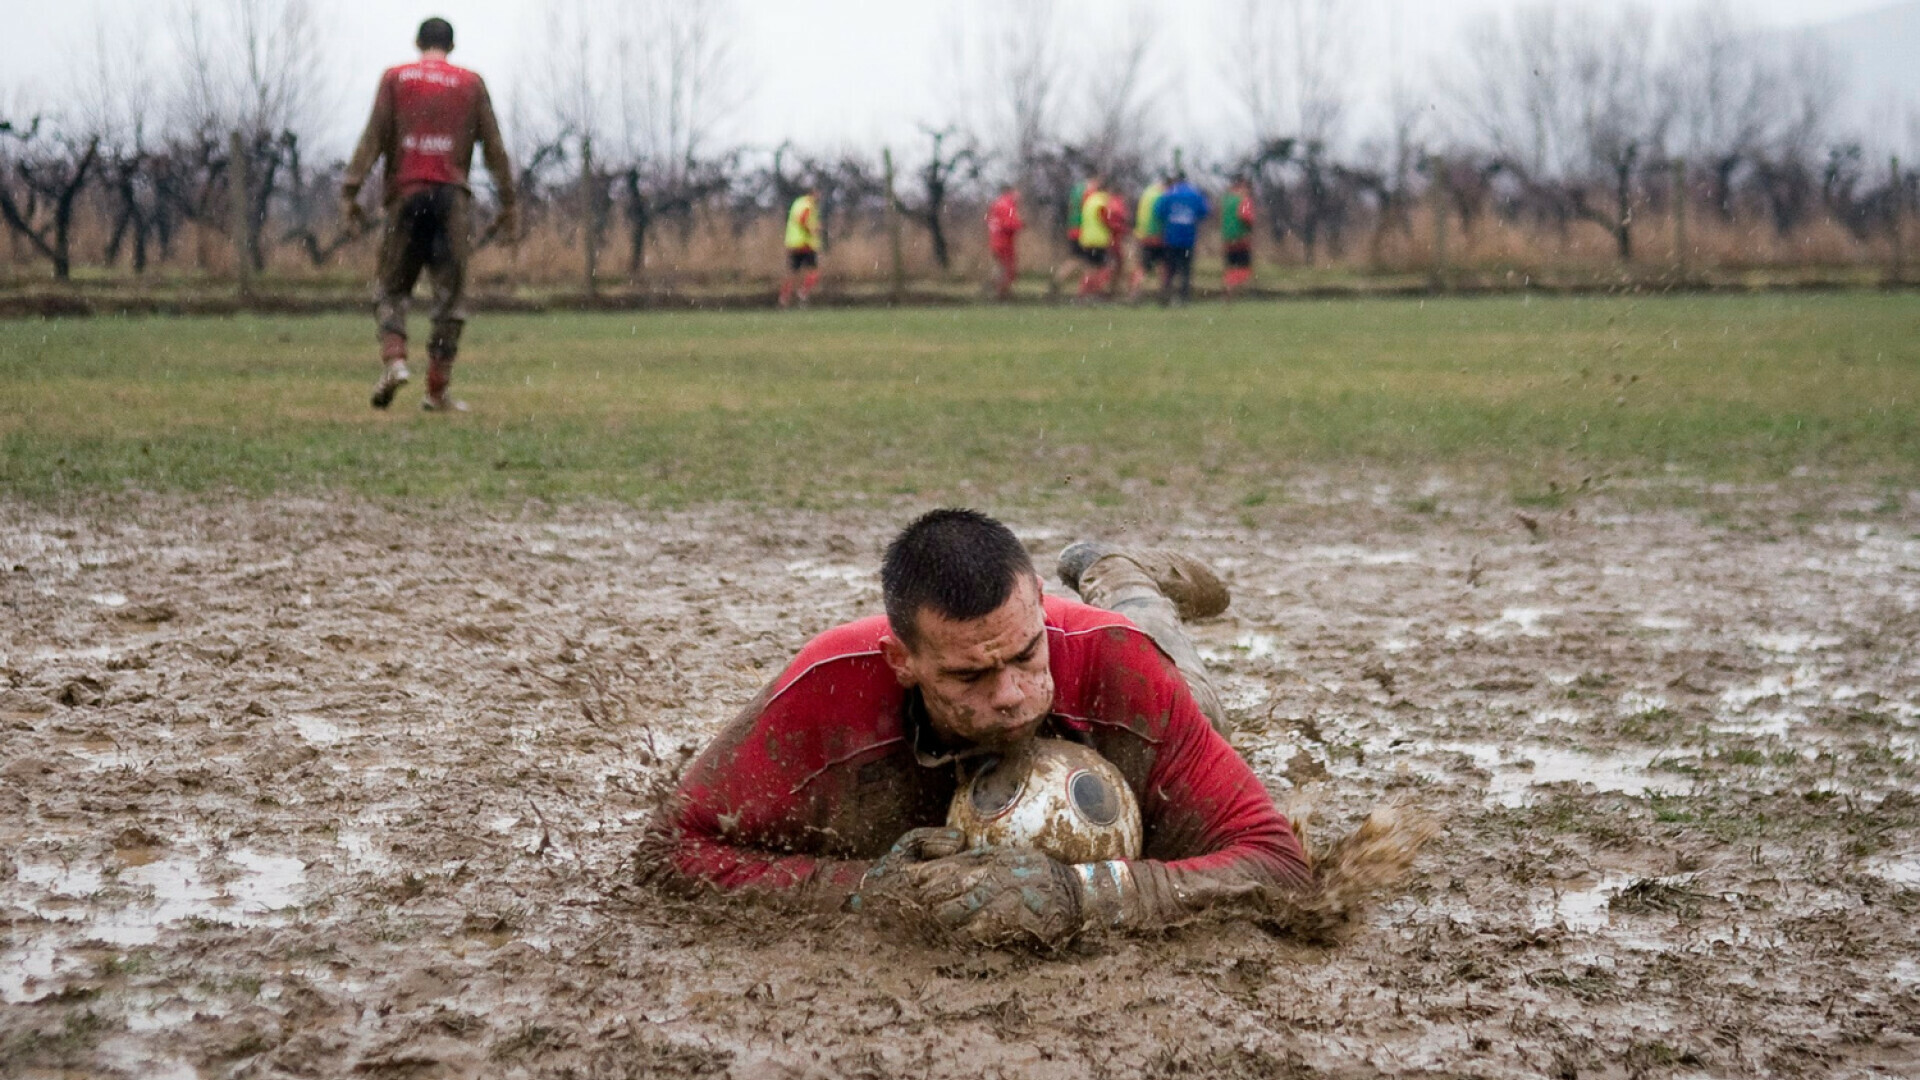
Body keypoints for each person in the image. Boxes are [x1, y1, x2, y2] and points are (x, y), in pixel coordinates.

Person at [649, 508, 1310, 948]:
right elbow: (668, 849)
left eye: (1026, 656)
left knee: (1192, 697)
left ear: (1040, 613)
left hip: (1115, 657)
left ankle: (1122, 576)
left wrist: (1083, 896)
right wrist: (869, 889)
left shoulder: (1115, 666)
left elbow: (1280, 864)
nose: (1011, 697)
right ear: (901, 662)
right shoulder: (827, 691)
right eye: (970, 677)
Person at [342, 16, 516, 414]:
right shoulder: (471, 83)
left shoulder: (395, 78)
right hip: (451, 199)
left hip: (406, 195)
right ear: (451, 46)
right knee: (450, 298)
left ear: (418, 43)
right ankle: (437, 391)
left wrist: (351, 188)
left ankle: (395, 360)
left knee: (391, 289)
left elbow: (373, 137)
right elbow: (494, 147)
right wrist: (508, 201)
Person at [1155, 173, 1209, 305]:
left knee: (1170, 269)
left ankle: (1165, 296)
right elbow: (1205, 211)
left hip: (1171, 238)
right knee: (1186, 270)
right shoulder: (1194, 194)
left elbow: (1158, 211)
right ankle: (1184, 297)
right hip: (1188, 238)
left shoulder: (1169, 194)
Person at [1076, 183, 1128, 299]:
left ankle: (1082, 292)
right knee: (1104, 267)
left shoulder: (1090, 201)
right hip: (1099, 240)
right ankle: (1095, 290)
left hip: (1087, 239)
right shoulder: (1102, 203)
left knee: (1090, 268)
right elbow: (1107, 221)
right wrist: (1120, 229)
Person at [1049, 174, 1097, 296]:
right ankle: (1084, 290)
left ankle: (1058, 281)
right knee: (1088, 262)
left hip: (1072, 229)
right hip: (1083, 231)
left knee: (1078, 259)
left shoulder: (1076, 190)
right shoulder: (1089, 192)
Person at [1127, 175, 1168, 302]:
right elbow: (1162, 215)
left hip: (1143, 236)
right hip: (1158, 236)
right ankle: (1163, 293)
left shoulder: (1147, 193)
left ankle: (1134, 293)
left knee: (1142, 266)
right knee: (1163, 265)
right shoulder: (1162, 196)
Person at [780, 186, 823, 308]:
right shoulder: (808, 205)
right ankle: (802, 293)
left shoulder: (798, 203)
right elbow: (803, 220)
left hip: (794, 244)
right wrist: (813, 229)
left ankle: (784, 298)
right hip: (805, 244)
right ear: (813, 193)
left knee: (793, 273)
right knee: (814, 272)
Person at [984, 185, 1024, 300]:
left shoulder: (997, 204)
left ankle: (995, 289)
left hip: (995, 240)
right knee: (1008, 268)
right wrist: (1021, 224)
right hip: (1004, 242)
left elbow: (990, 220)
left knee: (1000, 267)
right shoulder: (1007, 206)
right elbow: (1009, 224)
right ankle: (1000, 293)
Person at [1221, 177, 1256, 298]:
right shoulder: (1243, 200)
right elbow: (1246, 216)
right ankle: (1236, 289)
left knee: (1231, 266)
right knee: (1244, 268)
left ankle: (1229, 286)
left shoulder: (1226, 200)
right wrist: (1250, 228)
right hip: (1241, 238)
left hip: (1227, 238)